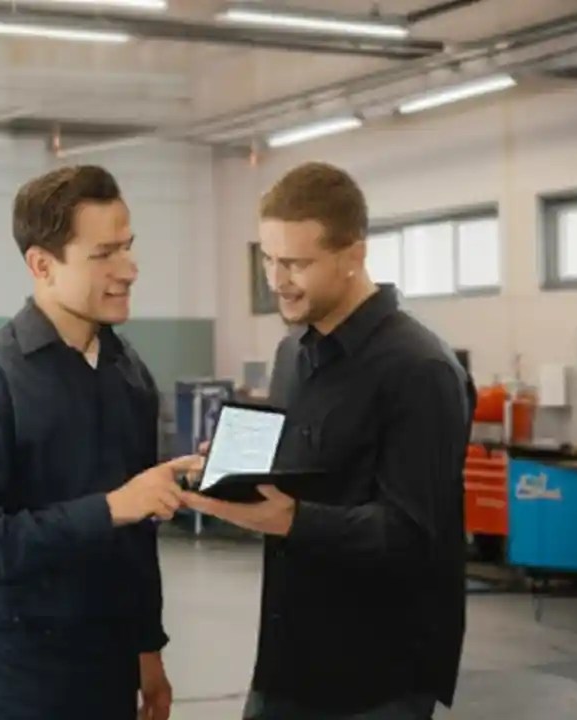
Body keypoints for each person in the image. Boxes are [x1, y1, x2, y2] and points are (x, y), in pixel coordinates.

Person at [182, 161, 473, 720]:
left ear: (354, 256)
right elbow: (308, 473)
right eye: (268, 258)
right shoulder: (294, 354)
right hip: (290, 659)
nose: (276, 280)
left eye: (296, 263)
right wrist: (237, 477)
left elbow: (413, 533)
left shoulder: (420, 369)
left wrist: (292, 520)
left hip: (377, 679)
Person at [0, 164, 200, 720]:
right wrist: (109, 509)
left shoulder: (128, 374)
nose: (129, 270)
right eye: (103, 255)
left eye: (127, 247)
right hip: (23, 678)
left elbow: (135, 542)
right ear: (41, 264)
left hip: (114, 669)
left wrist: (149, 650)